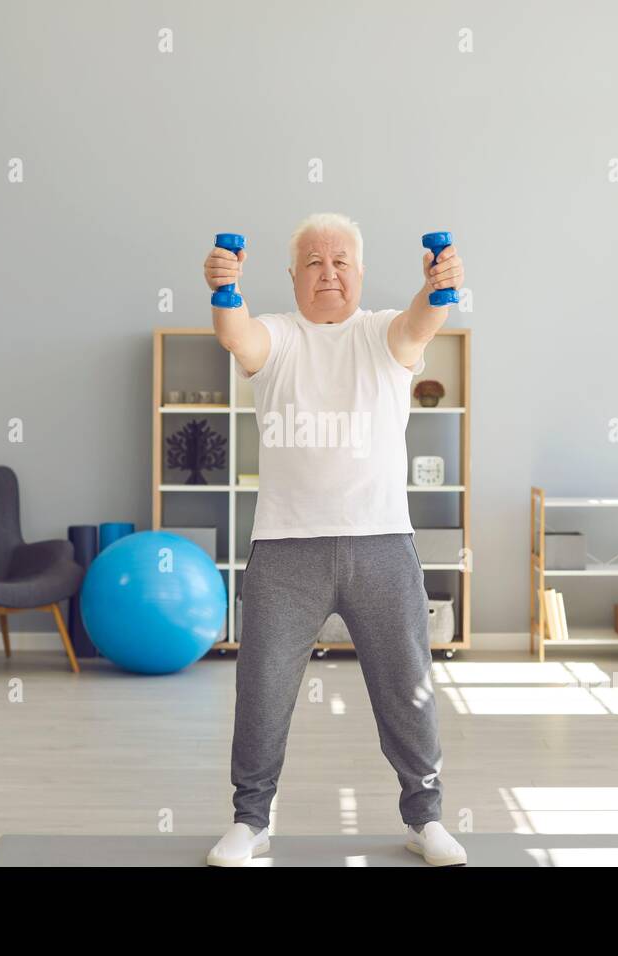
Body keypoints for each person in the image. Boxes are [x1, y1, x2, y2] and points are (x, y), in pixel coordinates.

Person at [202, 212, 467, 866]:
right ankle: (251, 819)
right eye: (315, 262)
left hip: (381, 546)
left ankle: (425, 816)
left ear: (360, 271)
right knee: (261, 688)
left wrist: (439, 289)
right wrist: (223, 292)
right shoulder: (279, 336)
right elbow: (236, 335)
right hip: (287, 550)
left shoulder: (380, 334)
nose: (329, 273)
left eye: (341, 261)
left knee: (408, 685)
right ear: (293, 275)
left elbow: (420, 324)